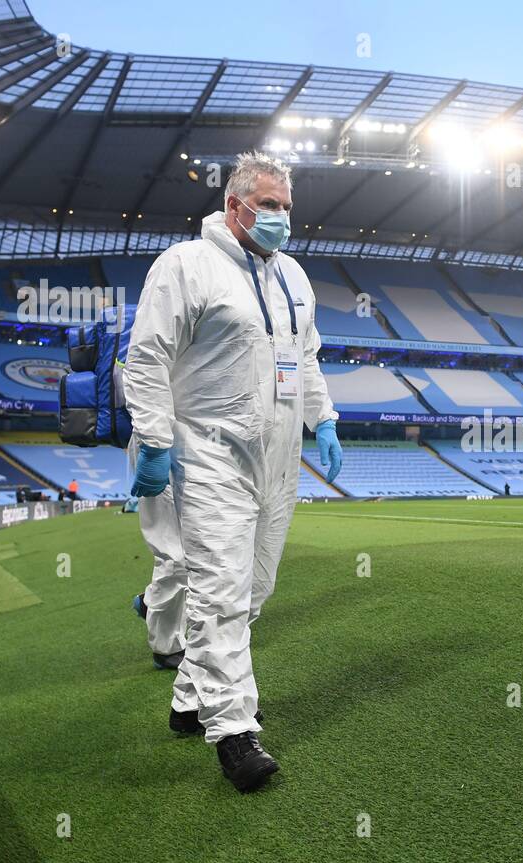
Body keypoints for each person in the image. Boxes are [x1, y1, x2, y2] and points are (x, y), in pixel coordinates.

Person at [123, 150, 342, 792]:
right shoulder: (185, 266)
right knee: (219, 589)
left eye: (286, 207)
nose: (278, 216)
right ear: (234, 205)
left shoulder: (294, 278)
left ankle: (191, 698)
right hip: (208, 450)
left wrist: (322, 419)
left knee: (255, 589)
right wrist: (156, 441)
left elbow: (306, 357)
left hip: (277, 458)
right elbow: (147, 359)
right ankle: (235, 731)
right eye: (267, 204)